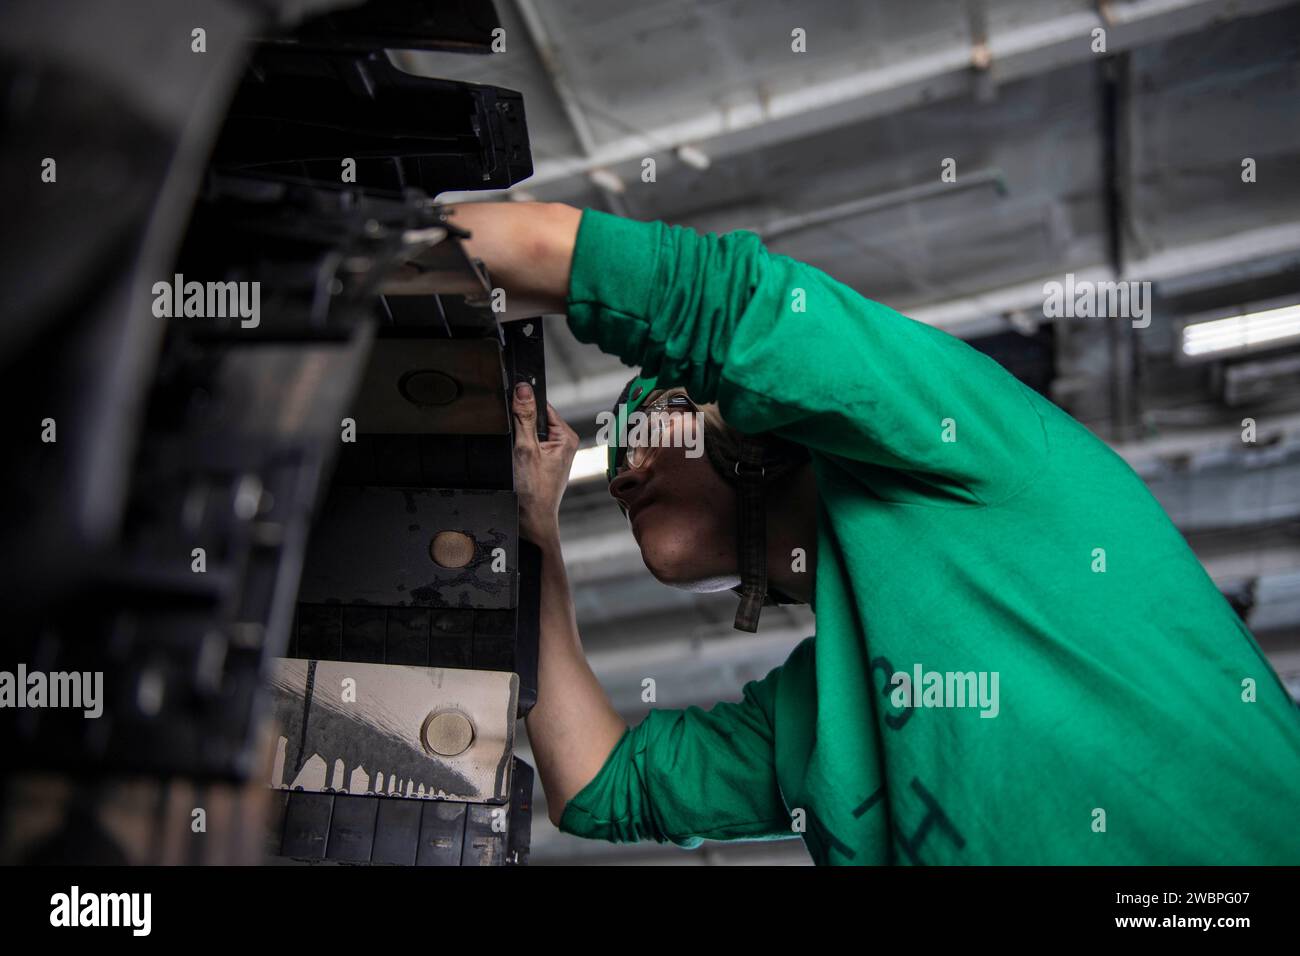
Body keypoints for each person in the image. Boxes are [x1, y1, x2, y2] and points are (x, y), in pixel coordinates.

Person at [451, 201, 1300, 865]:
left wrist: (394, 259)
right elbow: (597, 786)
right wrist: (537, 531)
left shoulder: (990, 449)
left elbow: (707, 297)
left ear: (753, 416)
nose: (626, 471)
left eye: (653, 427)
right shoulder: (822, 712)